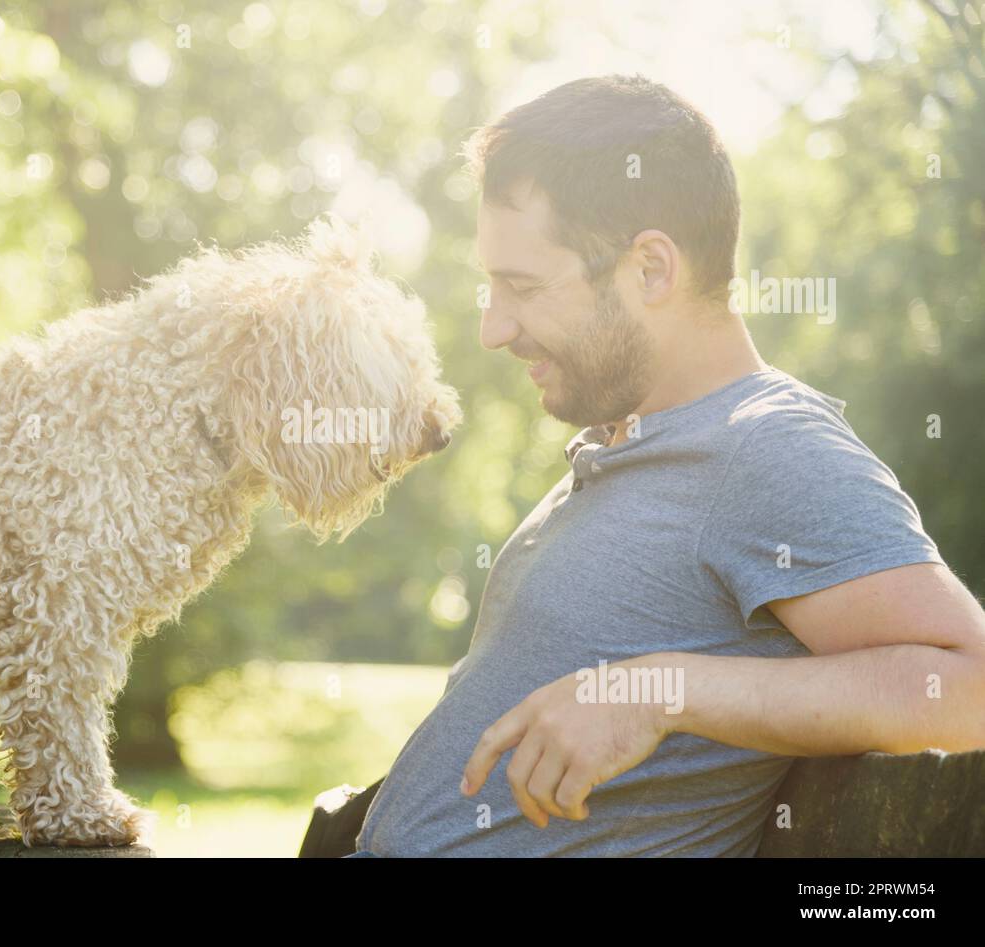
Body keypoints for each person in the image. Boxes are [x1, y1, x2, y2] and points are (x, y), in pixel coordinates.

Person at [302, 75, 985, 858]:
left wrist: (656, 690)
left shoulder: (769, 447)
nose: (493, 328)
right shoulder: (631, 441)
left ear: (652, 269)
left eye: (522, 286)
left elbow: (969, 687)